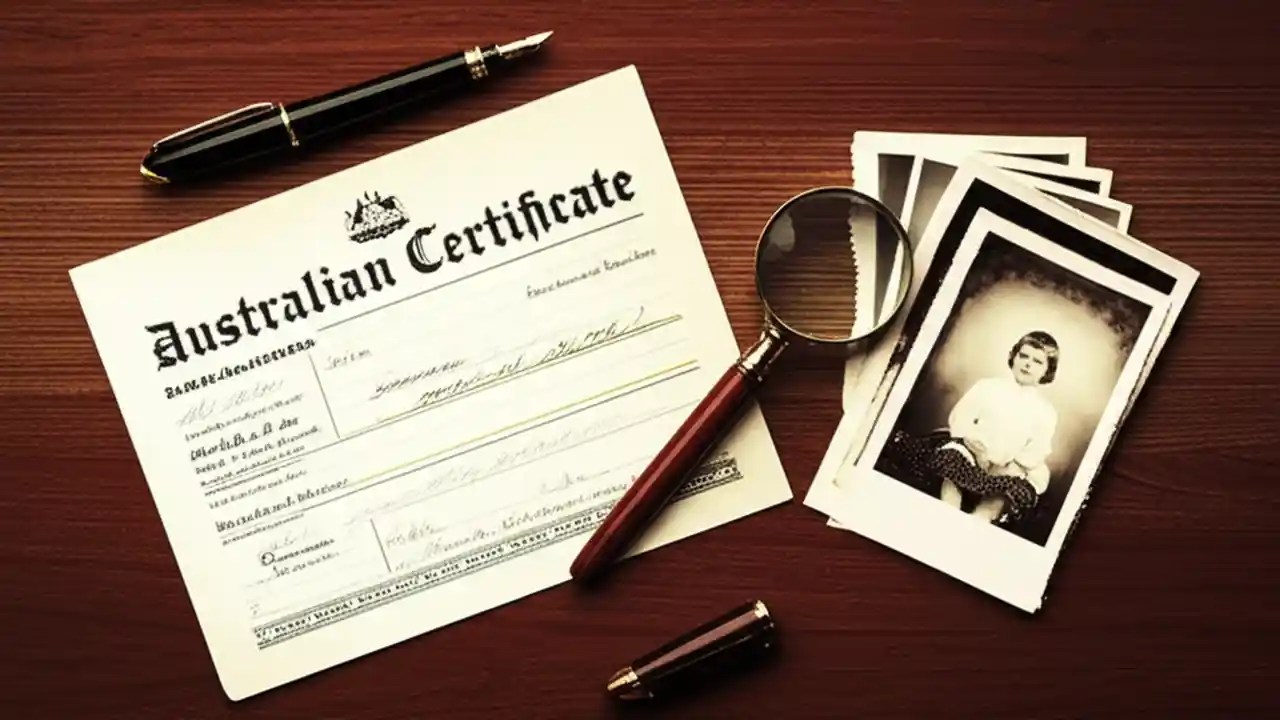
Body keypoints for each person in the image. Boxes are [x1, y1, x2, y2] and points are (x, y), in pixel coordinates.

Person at [936, 331, 1060, 523]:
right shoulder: (988, 387)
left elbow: (1037, 449)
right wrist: (974, 448)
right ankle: (946, 515)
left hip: (1010, 467)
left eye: (1037, 361)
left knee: (1003, 492)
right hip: (974, 453)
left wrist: (1012, 465)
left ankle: (978, 521)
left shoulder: (1046, 411)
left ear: (1047, 370)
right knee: (953, 463)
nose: (1027, 364)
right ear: (1014, 357)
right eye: (1023, 356)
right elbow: (961, 417)